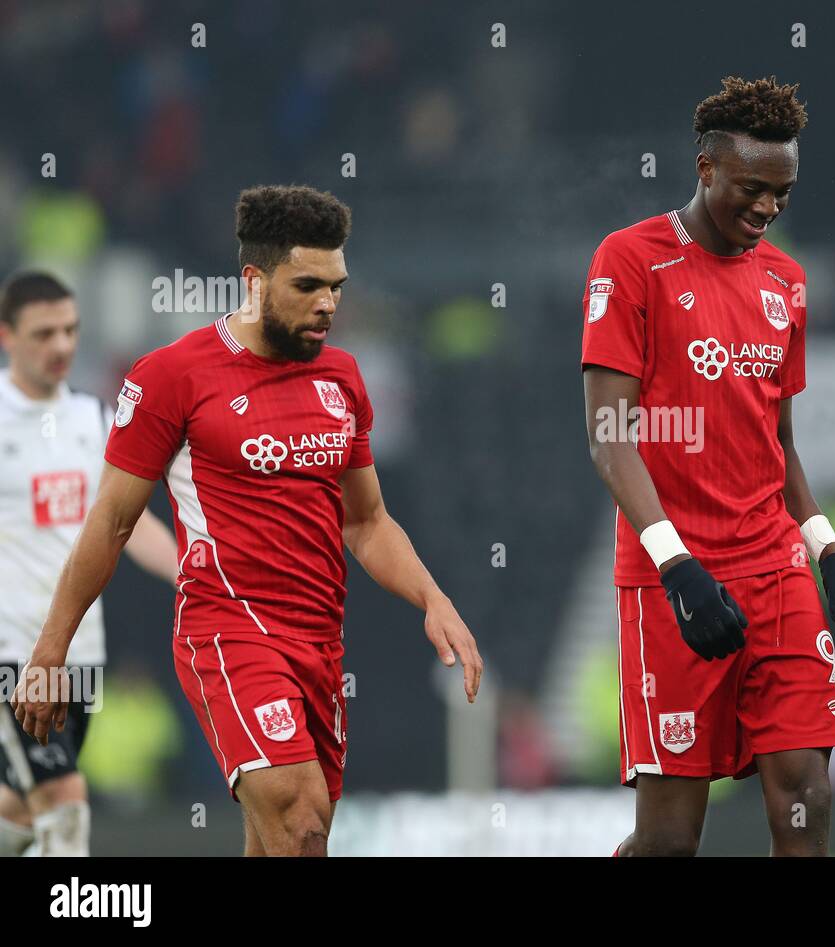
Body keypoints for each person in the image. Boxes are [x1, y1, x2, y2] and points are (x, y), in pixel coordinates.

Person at [11, 186, 483, 856]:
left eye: (337, 286)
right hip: (228, 628)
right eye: (308, 285)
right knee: (302, 822)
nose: (328, 303)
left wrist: (432, 598)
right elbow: (112, 521)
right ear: (255, 281)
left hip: (319, 644)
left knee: (279, 840)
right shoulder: (174, 376)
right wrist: (51, 649)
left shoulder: (342, 377)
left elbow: (368, 522)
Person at [582, 77, 835, 857]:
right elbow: (610, 434)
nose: (768, 208)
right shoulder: (630, 261)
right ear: (706, 168)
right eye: (752, 188)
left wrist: (828, 548)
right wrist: (676, 566)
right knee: (669, 841)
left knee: (804, 793)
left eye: (783, 193)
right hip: (671, 580)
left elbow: (776, 440)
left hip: (775, 571)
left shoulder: (786, 281)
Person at [0, 272, 177, 857]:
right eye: (44, 332)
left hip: (80, 653)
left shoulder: (94, 418)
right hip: (13, 652)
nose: (61, 346)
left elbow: (126, 525)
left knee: (22, 807)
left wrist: (191, 571)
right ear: (7, 336)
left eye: (71, 330)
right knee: (66, 802)